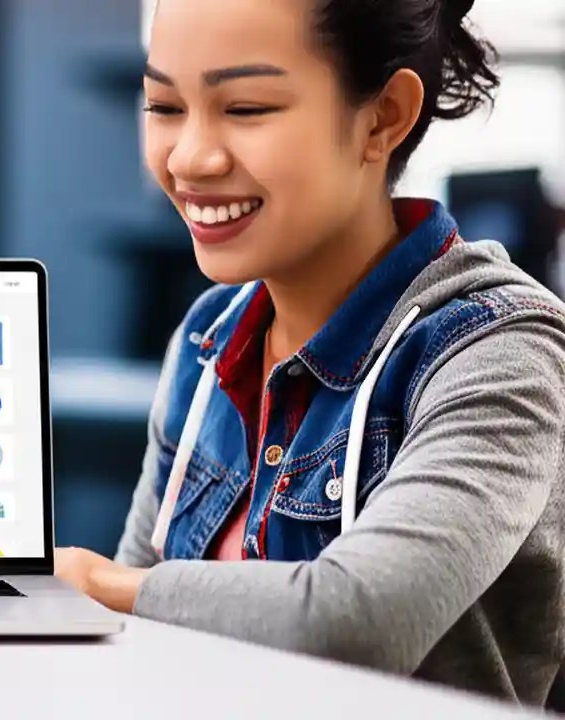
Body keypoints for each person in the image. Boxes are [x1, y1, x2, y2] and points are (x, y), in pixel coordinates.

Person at [53, 0, 565, 705]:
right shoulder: (208, 339)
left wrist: (97, 582)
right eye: (165, 106)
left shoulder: (501, 351)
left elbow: (355, 622)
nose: (189, 157)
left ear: (383, 118)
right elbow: (134, 643)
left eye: (246, 108)